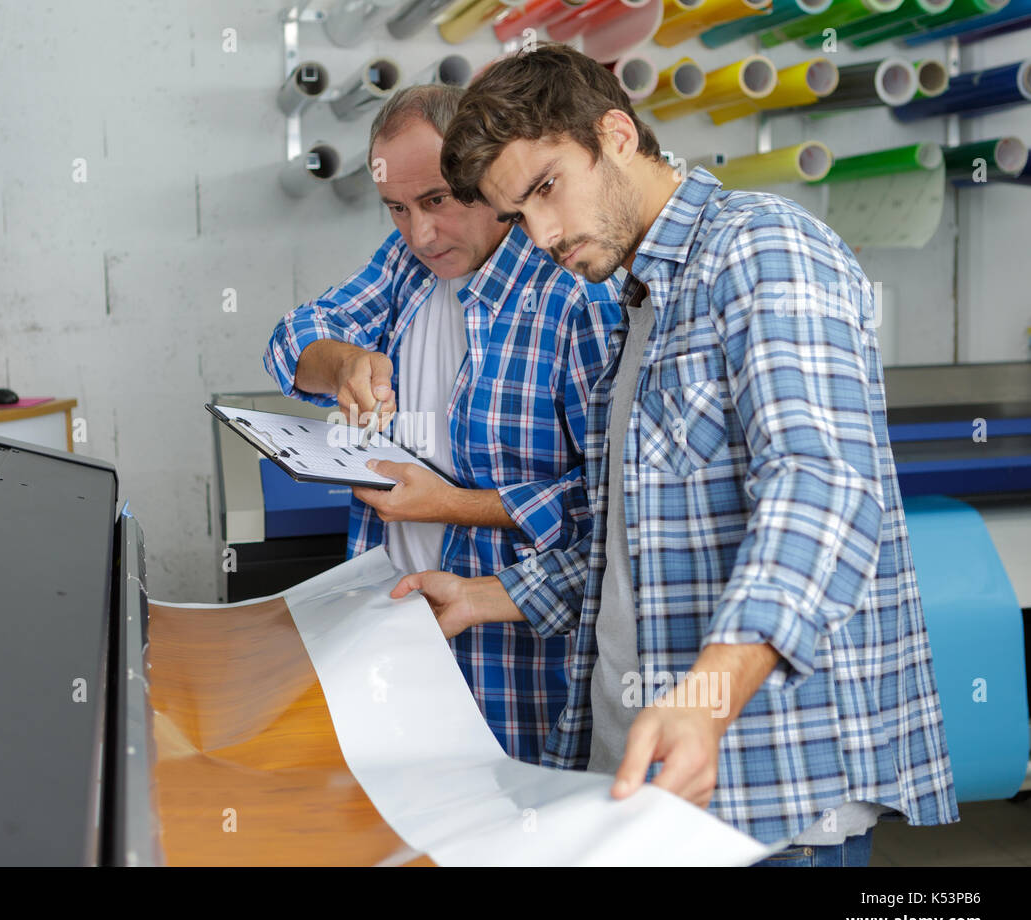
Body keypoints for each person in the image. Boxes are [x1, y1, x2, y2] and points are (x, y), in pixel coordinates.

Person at [393, 44, 958, 863]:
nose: (542, 234)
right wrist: (486, 597)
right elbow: (637, 541)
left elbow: (824, 485)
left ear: (617, 134)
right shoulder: (642, 302)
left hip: (762, 786)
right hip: (646, 779)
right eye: (517, 216)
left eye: (548, 186)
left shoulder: (762, 249)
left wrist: (710, 696)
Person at [264, 83, 620, 764]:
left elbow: (610, 510)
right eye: (395, 208)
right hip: (391, 648)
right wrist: (343, 363)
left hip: (513, 675)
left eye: (436, 201)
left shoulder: (575, 297)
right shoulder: (409, 265)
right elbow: (292, 339)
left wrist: (451, 505)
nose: (419, 232)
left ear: (487, 173)